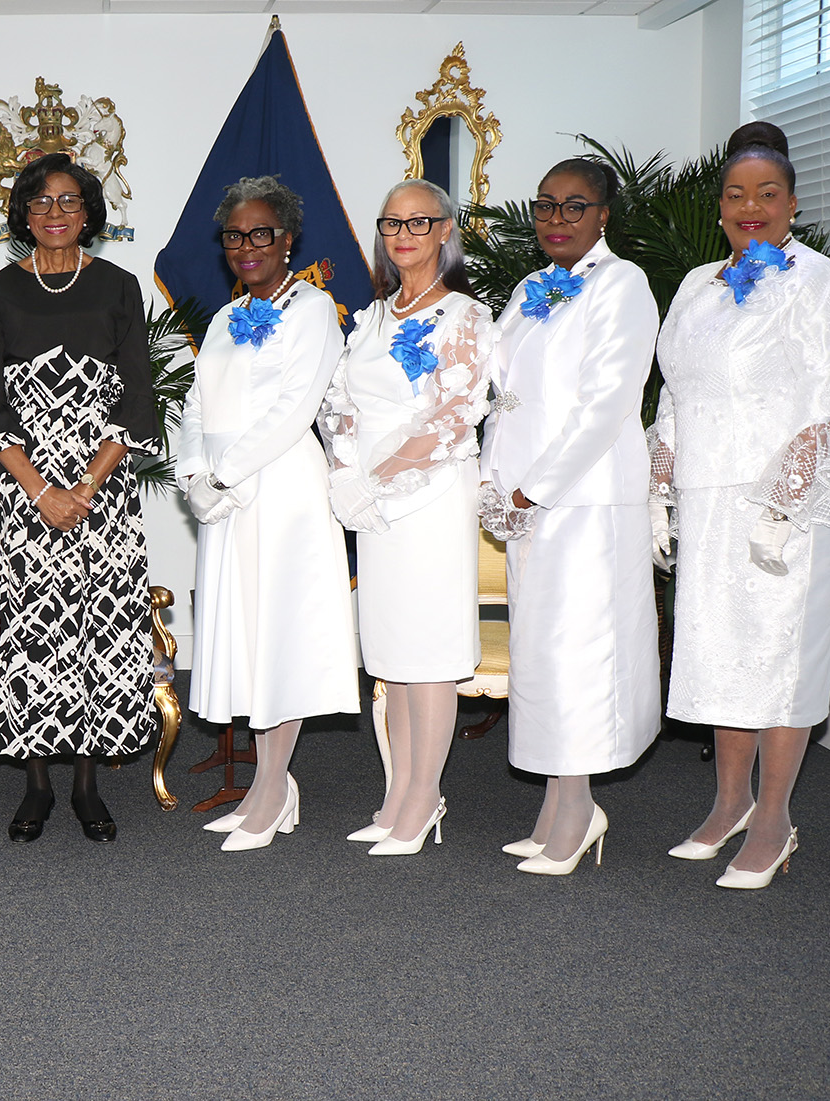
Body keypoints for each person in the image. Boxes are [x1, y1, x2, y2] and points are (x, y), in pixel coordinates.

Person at [652, 136, 830, 889]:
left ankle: (774, 818)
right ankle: (729, 803)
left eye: (768, 193)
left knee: (779, 658)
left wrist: (783, 502)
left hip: (784, 506)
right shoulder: (696, 284)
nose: (751, 207)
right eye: (737, 194)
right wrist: (660, 481)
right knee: (720, 653)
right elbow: (674, 390)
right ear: (720, 207)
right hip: (709, 500)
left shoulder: (816, 280)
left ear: (792, 204)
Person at [0, 152, 160, 843]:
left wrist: (84, 485)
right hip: (23, 488)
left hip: (100, 488)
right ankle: (37, 784)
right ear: (23, 215)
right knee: (32, 632)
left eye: (69, 201)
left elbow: (137, 395)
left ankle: (86, 784)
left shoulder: (118, 286)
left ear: (89, 214)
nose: (55, 213)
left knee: (96, 628)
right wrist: (39, 489)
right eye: (41, 202)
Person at [479, 158, 662, 875]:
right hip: (526, 502)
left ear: (604, 214)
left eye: (575, 205)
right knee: (543, 656)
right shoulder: (530, 287)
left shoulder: (623, 284)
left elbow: (607, 402)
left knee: (579, 653)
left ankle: (579, 810)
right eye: (546, 205)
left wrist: (535, 488)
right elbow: (502, 395)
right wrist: (495, 480)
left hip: (584, 501)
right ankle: (560, 805)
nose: (557, 219)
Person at [177, 176, 358, 852]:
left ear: (287, 240)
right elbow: (197, 403)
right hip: (225, 497)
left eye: (261, 233)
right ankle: (266, 788)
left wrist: (224, 472)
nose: (246, 246)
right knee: (247, 640)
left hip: (280, 488)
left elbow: (294, 408)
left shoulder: (312, 309)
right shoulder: (225, 317)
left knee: (281, 635)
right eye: (234, 235)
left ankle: (274, 786)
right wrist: (193, 475)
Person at [321, 179, 493, 855]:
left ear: (445, 230)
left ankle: (424, 797)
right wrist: (346, 475)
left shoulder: (466, 315)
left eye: (419, 222)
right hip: (372, 506)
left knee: (428, 652)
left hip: (429, 498)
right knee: (390, 657)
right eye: (392, 222)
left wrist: (379, 478)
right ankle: (395, 796)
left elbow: (456, 414)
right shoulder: (370, 317)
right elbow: (338, 402)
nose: (403, 235)